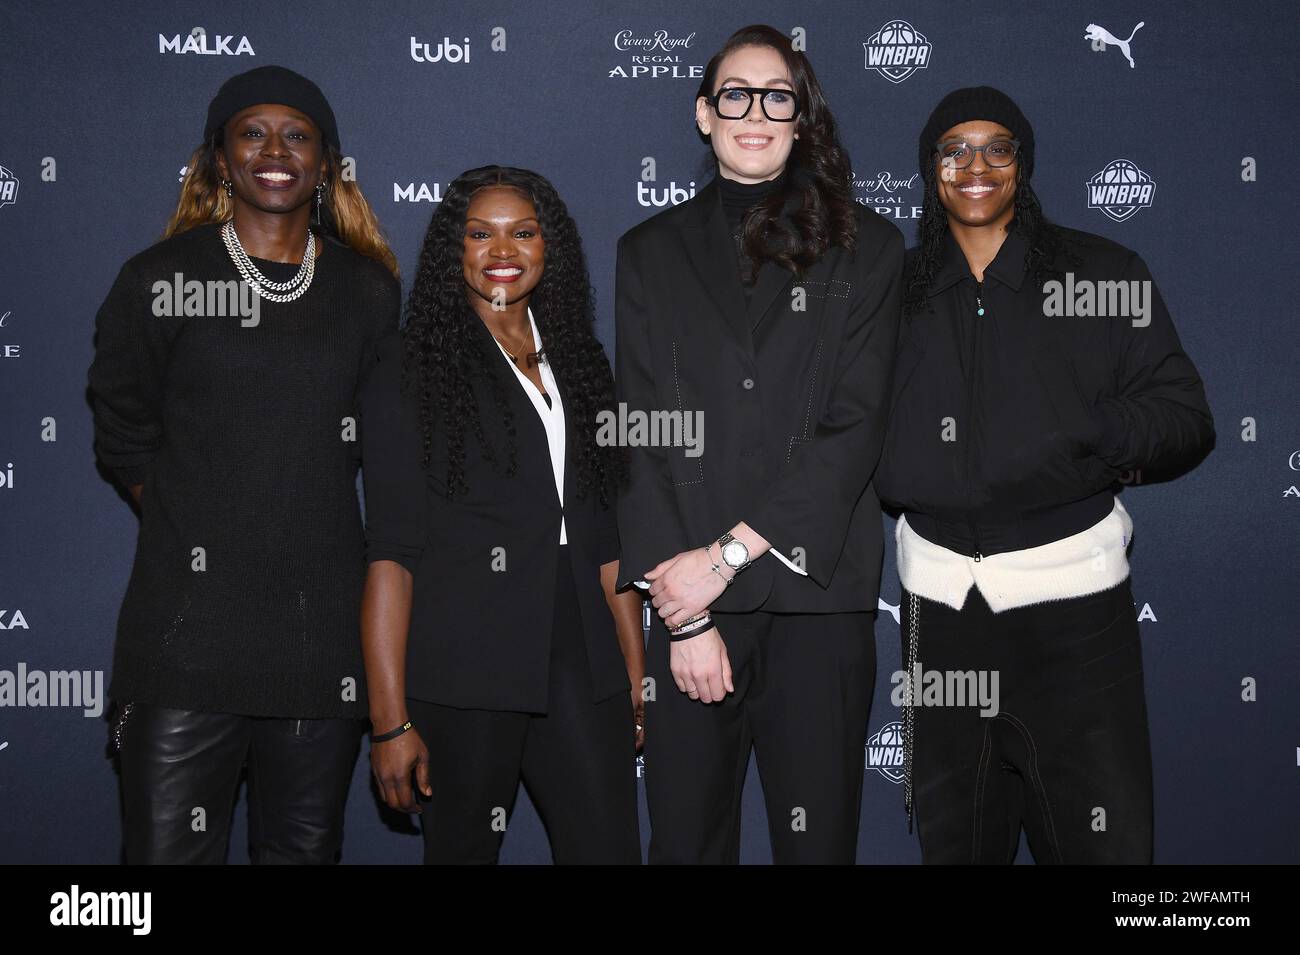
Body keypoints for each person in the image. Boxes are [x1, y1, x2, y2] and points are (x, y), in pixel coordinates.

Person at [874, 86, 1215, 863]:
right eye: (953, 148)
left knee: (1106, 847)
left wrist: (1089, 426)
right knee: (957, 845)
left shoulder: (1101, 270)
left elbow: (1188, 419)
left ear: (1022, 167)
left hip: (1075, 620)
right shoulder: (891, 290)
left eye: (998, 147)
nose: (975, 165)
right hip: (942, 615)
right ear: (931, 170)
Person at [87, 65, 401, 863]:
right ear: (219, 158)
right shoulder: (160, 280)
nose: (274, 150)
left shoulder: (366, 293)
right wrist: (203, 515)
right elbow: (121, 427)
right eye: (251, 132)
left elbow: (388, 448)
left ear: (326, 162)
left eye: (296, 135)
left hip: (320, 650)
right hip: (184, 645)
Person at [614, 24, 903, 864]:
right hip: (690, 608)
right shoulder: (647, 252)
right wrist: (688, 608)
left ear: (801, 116)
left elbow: (856, 428)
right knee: (685, 844)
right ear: (705, 115)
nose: (755, 112)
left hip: (817, 600)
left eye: (777, 95)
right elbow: (638, 435)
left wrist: (727, 556)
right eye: (734, 94)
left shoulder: (871, 249)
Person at [360, 166, 644, 864]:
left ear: (552, 246)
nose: (502, 250)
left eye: (522, 231)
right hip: (464, 658)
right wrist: (389, 719)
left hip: (580, 646)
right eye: (479, 233)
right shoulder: (409, 365)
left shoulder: (580, 362)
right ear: (451, 250)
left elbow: (607, 539)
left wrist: (635, 673)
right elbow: (392, 552)